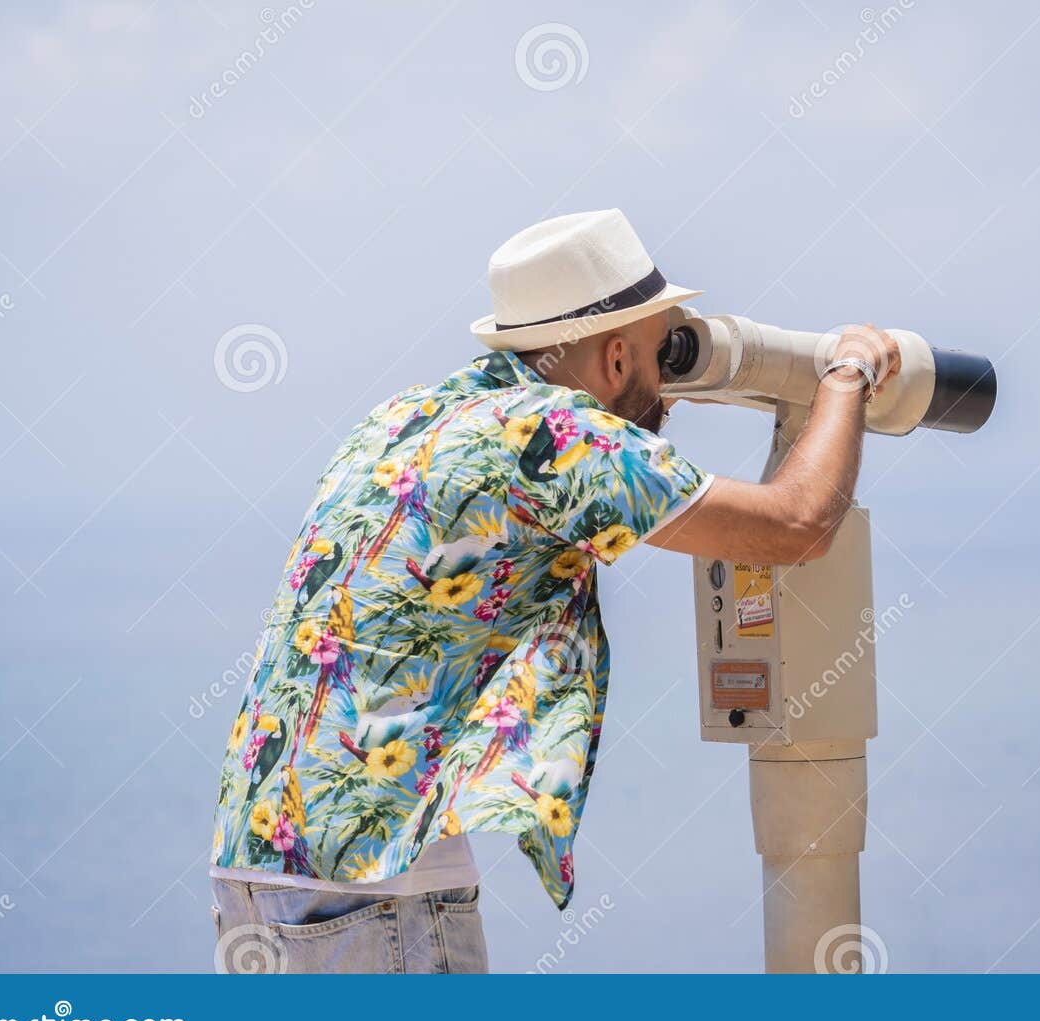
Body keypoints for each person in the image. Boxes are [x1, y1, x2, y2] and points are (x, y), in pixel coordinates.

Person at [207, 208, 897, 973]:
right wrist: (848, 375)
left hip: (258, 869)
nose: (669, 385)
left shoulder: (409, 417)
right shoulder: (558, 435)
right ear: (614, 358)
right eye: (661, 352)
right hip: (373, 893)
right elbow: (797, 524)